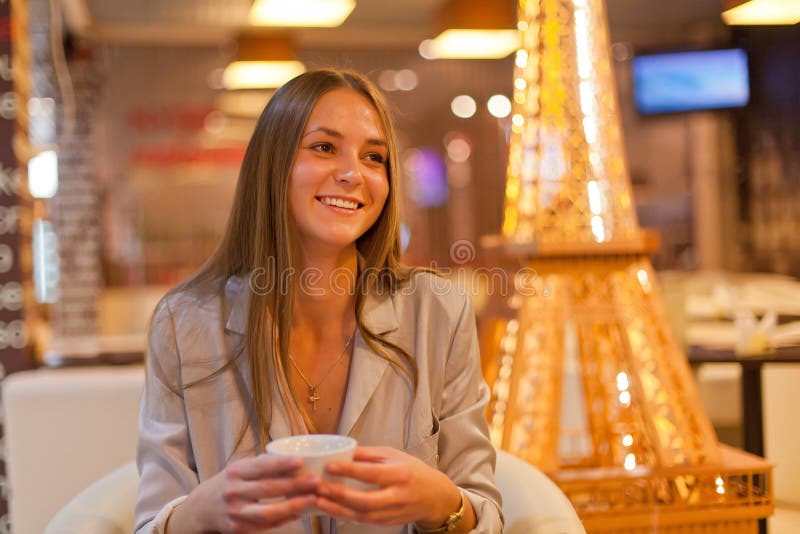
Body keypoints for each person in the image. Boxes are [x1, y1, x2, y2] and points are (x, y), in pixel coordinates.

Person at [135, 68, 503, 534]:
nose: (353, 174)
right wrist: (201, 511)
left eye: (374, 157)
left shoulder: (438, 311)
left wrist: (441, 503)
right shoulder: (184, 323)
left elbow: (483, 513)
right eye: (324, 147)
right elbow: (151, 524)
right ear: (273, 164)